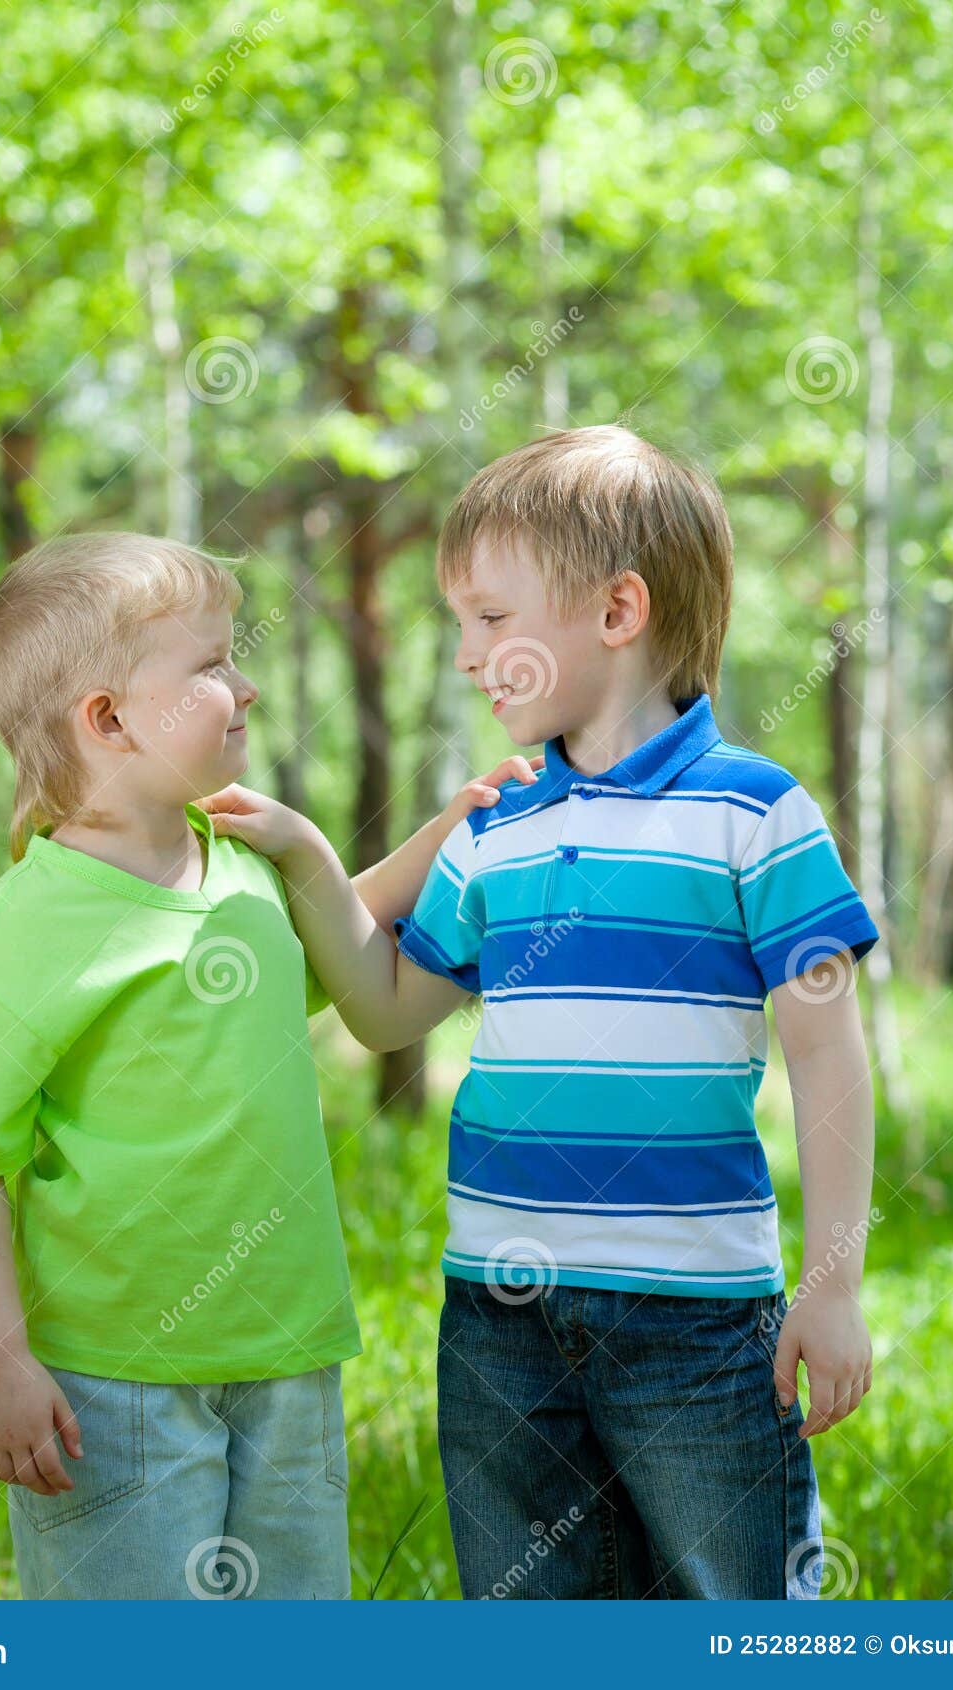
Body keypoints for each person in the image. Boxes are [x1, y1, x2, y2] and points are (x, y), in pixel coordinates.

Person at [206, 425, 878, 1599]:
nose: (466, 655)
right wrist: (312, 862)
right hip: (498, 1322)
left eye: (489, 619)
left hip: (697, 1320)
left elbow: (827, 1059)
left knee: (742, 1610)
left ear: (617, 612)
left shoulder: (754, 815)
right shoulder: (492, 829)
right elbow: (386, 1009)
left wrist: (830, 1281)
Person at [0, 530, 535, 1599]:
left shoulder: (241, 856)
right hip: (113, 1379)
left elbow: (340, 923)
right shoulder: (27, 924)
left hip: (287, 1348)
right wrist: (1, 1363)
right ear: (106, 720)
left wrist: (453, 827)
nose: (243, 683)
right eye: (208, 666)